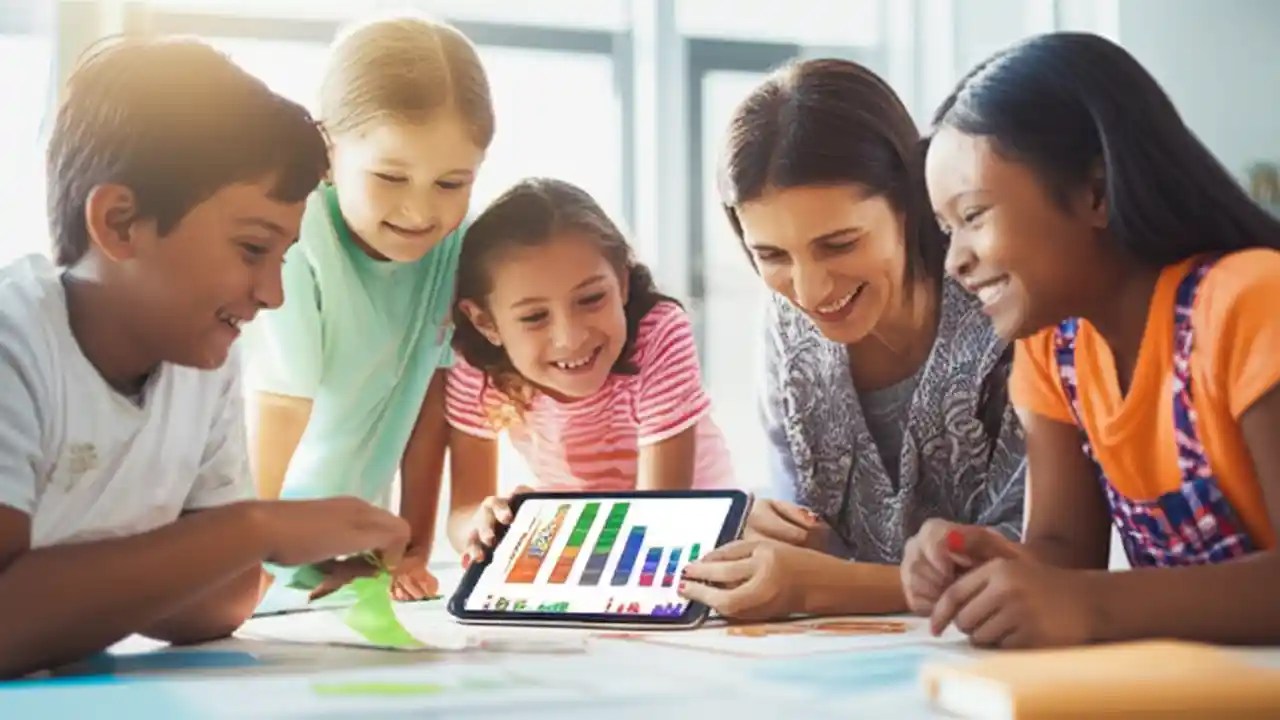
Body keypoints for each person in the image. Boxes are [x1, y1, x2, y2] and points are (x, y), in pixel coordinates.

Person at [0, 38, 409, 678]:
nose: (272, 293)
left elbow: (222, 601)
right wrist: (252, 530)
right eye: (252, 249)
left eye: (283, 259)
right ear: (120, 223)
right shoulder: (14, 344)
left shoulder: (202, 359)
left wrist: (237, 547)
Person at [905, 32, 1280, 648]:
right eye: (947, 231)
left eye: (973, 217)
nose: (954, 262)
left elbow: (1088, 594)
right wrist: (993, 569)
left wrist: (1092, 605)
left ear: (1095, 193)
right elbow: (1065, 555)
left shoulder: (1247, 302)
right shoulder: (1054, 347)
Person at [676, 58, 1025, 621]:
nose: (810, 290)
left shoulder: (1004, 307)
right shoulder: (787, 327)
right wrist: (774, 531)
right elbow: (809, 537)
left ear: (911, 202)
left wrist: (822, 585)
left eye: (838, 244)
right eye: (771, 255)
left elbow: (1043, 557)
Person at [243, 15, 493, 601]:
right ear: (328, 151)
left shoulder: (454, 246)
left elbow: (431, 403)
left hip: (343, 551)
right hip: (255, 529)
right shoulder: (300, 236)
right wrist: (244, 561)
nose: (419, 211)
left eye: (452, 183)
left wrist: (413, 544)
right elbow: (278, 408)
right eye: (389, 176)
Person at [444, 178, 733, 564]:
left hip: (696, 536)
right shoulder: (479, 368)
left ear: (623, 283)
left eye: (592, 298)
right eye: (534, 317)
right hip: (589, 542)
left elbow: (662, 514)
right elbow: (461, 517)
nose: (570, 337)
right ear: (485, 322)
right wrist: (483, 526)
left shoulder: (658, 333)